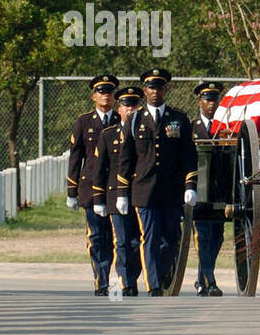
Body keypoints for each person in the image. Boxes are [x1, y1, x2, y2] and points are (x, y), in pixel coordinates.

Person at [116, 68, 197, 296]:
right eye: (151, 87)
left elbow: (188, 156)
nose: (155, 92)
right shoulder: (135, 120)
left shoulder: (179, 119)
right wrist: (122, 191)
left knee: (170, 239)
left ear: (165, 90)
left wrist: (190, 185)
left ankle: (159, 275)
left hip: (171, 190)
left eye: (159, 87)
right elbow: (126, 158)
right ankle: (153, 285)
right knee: (149, 237)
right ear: (145, 90)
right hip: (144, 190)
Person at [67, 74, 119, 295]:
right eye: (101, 92)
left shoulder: (121, 119)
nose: (105, 96)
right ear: (93, 96)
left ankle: (117, 277)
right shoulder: (84, 121)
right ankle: (101, 277)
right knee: (97, 236)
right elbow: (75, 157)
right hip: (90, 187)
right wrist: (72, 191)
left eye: (109, 92)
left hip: (115, 187)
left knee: (115, 236)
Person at [92, 85, 144, 296]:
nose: (129, 109)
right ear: (119, 109)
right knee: (120, 241)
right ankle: (122, 282)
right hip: (115, 195)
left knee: (135, 241)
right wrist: (99, 198)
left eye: (134, 105)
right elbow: (99, 169)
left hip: (139, 193)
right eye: (125, 105)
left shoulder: (144, 131)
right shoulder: (108, 134)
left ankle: (133, 279)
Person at [190, 81, 225, 296]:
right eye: (207, 99)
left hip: (220, 189)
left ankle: (201, 276)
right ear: (199, 102)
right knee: (202, 235)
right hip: (198, 190)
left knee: (217, 237)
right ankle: (209, 280)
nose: (211, 104)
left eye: (214, 99)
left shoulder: (225, 128)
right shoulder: (191, 128)